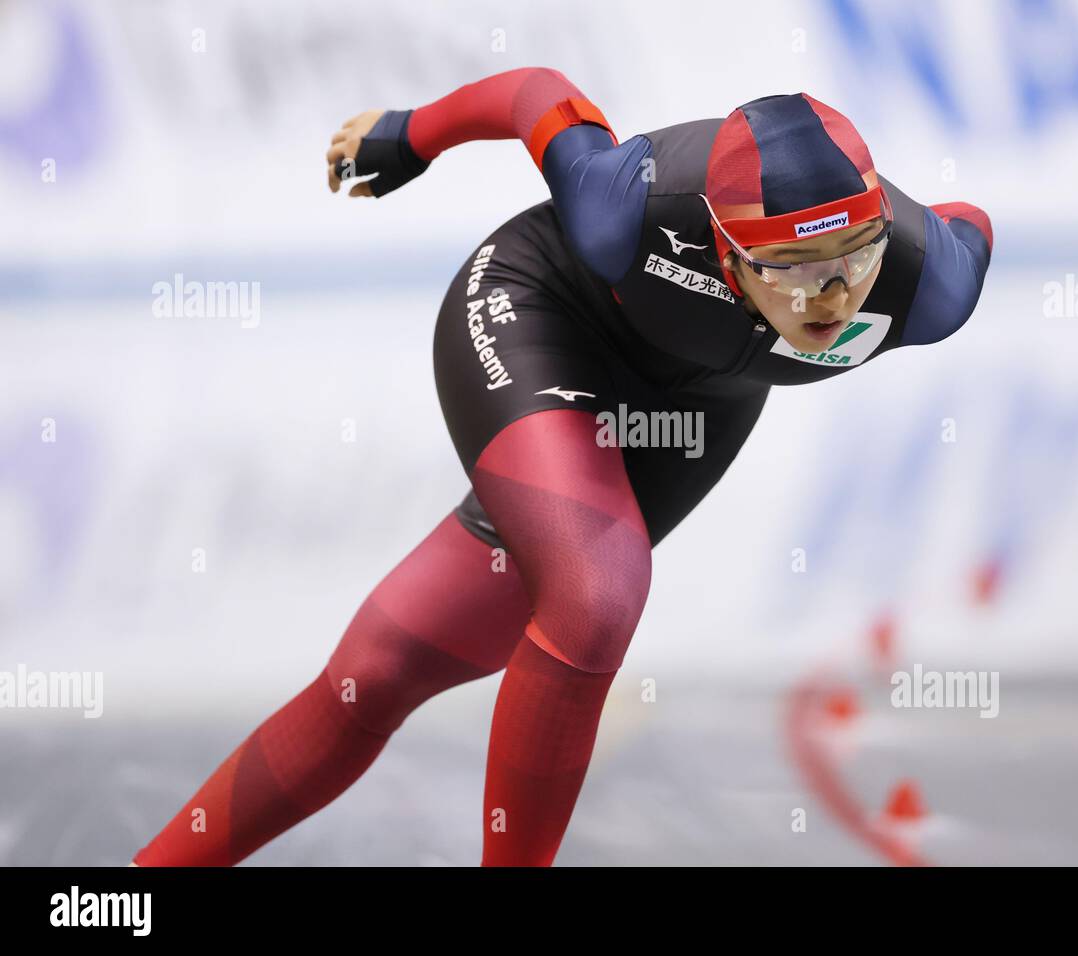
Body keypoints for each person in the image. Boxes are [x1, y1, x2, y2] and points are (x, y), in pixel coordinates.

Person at [130, 66, 992, 867]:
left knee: (380, 671)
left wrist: (869, 246)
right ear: (723, 250)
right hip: (539, 313)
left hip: (700, 402)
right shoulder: (629, 208)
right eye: (793, 270)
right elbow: (540, 93)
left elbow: (971, 222)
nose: (836, 297)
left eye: (855, 257)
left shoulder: (927, 284)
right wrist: (408, 134)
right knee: (596, 594)